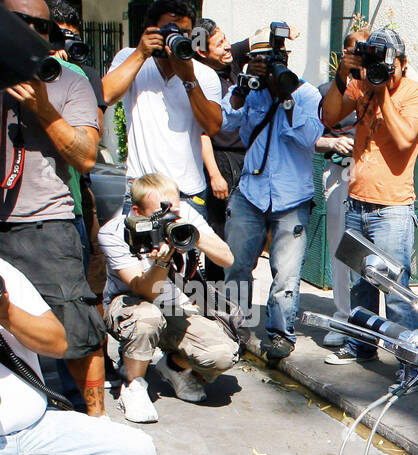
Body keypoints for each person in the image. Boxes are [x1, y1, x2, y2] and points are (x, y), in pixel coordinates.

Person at [1, 256, 198, 455]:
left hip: (36, 426)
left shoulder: (4, 273)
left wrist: (5, 311)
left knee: (137, 449)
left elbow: (57, 343)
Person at [0, 0, 105, 416]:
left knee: (77, 333)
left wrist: (42, 106)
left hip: (46, 224)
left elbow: (85, 158)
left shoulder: (67, 80)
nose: (31, 32)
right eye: (18, 23)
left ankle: (93, 428)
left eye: (40, 26)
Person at [320, 26, 418, 387]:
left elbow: (403, 140)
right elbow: (330, 117)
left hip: (392, 209)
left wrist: (382, 91)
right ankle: (362, 344)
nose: (381, 70)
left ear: (402, 64)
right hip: (357, 201)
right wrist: (343, 76)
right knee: (360, 286)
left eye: (388, 65)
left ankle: (414, 365)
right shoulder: (362, 83)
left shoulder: (417, 93)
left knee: (396, 293)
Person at [220, 26, 325, 361]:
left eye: (271, 58)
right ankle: (235, 327)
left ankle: (280, 333)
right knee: (237, 266)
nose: (265, 65)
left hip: (290, 198)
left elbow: (310, 137)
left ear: (285, 58)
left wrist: (287, 95)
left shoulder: (306, 94)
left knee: (286, 274)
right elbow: (224, 122)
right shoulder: (250, 90)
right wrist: (242, 87)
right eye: (258, 58)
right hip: (250, 192)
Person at [98, 173, 237, 423]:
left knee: (223, 353)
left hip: (175, 307)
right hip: (130, 304)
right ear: (138, 210)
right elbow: (144, 291)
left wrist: (188, 232)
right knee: (147, 317)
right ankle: (134, 385)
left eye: (174, 210)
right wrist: (161, 261)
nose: (170, 218)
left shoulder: (185, 215)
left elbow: (227, 259)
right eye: (161, 215)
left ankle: (173, 366)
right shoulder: (115, 231)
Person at [102, 0, 223, 215]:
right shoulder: (130, 58)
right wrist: (141, 53)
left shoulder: (203, 74)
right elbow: (106, 95)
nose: (177, 38)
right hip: (141, 190)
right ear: (152, 31)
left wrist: (189, 79)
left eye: (185, 32)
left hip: (188, 192)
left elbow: (213, 127)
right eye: (169, 31)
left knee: (191, 249)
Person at [317, 27, 364, 347]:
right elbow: (309, 136)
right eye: (353, 49)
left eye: (366, 49)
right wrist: (334, 141)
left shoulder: (382, 86)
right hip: (339, 172)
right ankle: (342, 317)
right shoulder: (327, 89)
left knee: (366, 253)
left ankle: (367, 320)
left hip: (372, 179)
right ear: (343, 52)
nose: (359, 55)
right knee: (339, 249)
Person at [195, 17, 243, 281]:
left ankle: (235, 295)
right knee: (219, 231)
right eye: (219, 44)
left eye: (226, 39)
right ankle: (215, 299)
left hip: (244, 159)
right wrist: (214, 174)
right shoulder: (201, 78)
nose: (227, 47)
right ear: (202, 52)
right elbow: (202, 132)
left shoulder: (231, 63)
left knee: (243, 233)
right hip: (219, 160)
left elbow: (251, 44)